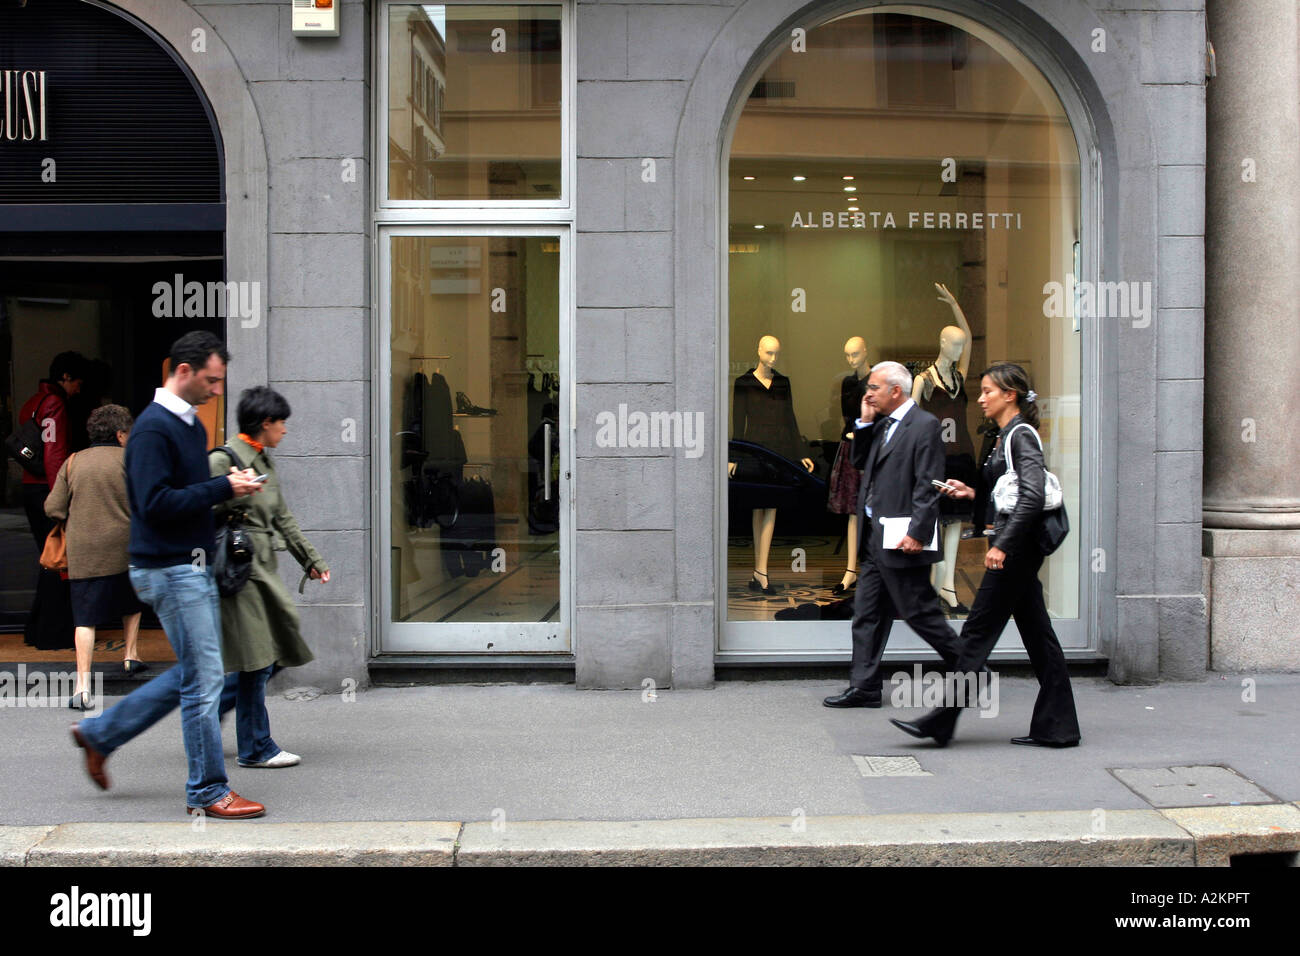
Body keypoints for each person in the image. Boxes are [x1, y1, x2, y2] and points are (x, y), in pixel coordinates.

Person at [70, 331, 269, 819]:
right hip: (169, 569)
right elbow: (154, 505)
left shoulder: (187, 426)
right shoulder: (154, 430)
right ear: (183, 371)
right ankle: (206, 790)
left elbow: (185, 493)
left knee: (194, 675)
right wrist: (222, 485)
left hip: (187, 567)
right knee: (203, 681)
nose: (217, 390)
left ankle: (100, 734)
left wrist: (225, 489)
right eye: (211, 380)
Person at [890, 362, 1082, 748]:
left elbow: (1031, 495)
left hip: (1017, 550)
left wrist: (1002, 544)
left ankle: (941, 722)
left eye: (988, 391)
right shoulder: (1004, 435)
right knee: (1038, 635)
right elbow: (1012, 493)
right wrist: (973, 494)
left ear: (1009, 395)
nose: (980, 398)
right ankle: (1058, 727)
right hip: (1018, 548)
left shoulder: (1020, 436)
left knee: (977, 633)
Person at [823, 361, 963, 709]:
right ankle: (865, 687)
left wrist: (917, 532)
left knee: (921, 616)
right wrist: (865, 421)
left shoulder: (924, 425)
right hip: (876, 538)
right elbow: (858, 460)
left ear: (895, 391)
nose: (867, 393)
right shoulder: (883, 423)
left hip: (903, 541)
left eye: (874, 388)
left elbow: (928, 483)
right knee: (867, 613)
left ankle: (973, 669)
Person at [210, 386, 329, 770]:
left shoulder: (264, 460)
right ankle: (256, 746)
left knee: (273, 649)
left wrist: (310, 559)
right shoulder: (222, 460)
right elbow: (195, 507)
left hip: (263, 569)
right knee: (257, 659)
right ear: (265, 423)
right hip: (238, 570)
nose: (286, 430)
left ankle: (208, 715)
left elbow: (281, 516)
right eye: (282, 423)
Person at [43, 405, 148, 709]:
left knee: (85, 619)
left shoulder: (73, 462)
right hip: (127, 548)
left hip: (86, 553)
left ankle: (83, 686)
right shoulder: (131, 459)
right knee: (133, 601)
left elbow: (53, 508)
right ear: (119, 434)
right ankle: (130, 656)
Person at [18, 351, 87, 650]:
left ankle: (36, 629)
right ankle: (50, 632)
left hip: (30, 487)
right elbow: (54, 454)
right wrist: (61, 499)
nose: (79, 390)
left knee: (48, 559)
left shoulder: (33, 401)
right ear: (67, 377)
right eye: (77, 382)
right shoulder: (56, 403)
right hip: (47, 490)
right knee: (57, 562)